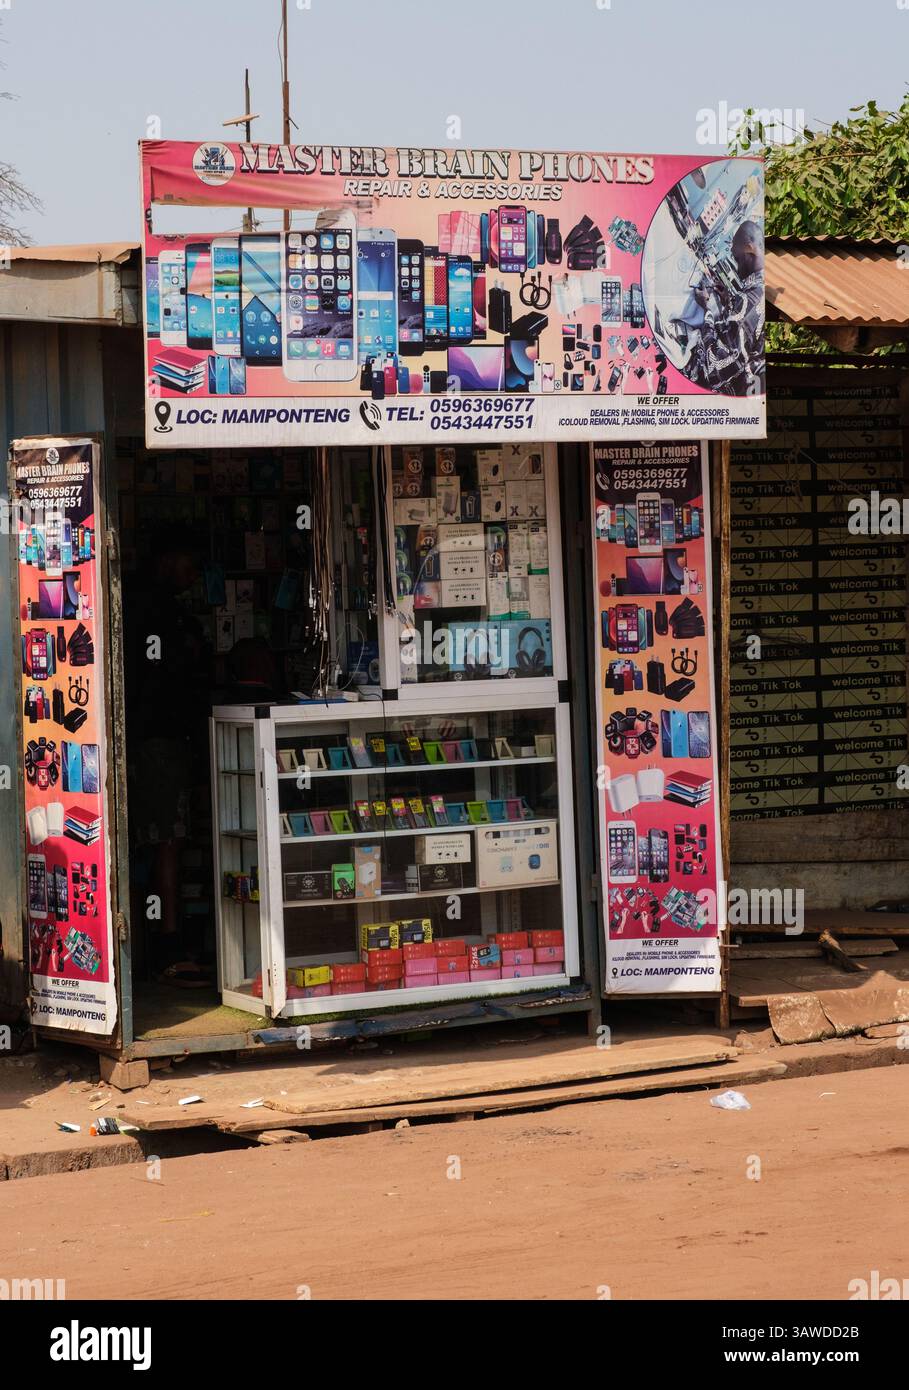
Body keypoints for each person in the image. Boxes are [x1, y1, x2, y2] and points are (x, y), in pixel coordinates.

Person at [124, 539, 211, 976]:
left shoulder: (150, 606)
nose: (194, 573)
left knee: (160, 842)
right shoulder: (153, 610)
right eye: (188, 561)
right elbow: (164, 671)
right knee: (166, 842)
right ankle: (167, 944)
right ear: (165, 558)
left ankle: (158, 942)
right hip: (158, 739)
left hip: (157, 738)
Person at [690, 220, 765, 397]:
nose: (737, 268)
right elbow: (746, 334)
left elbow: (716, 365)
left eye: (737, 259)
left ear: (749, 248)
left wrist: (707, 310)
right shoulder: (761, 289)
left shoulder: (750, 299)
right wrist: (729, 302)